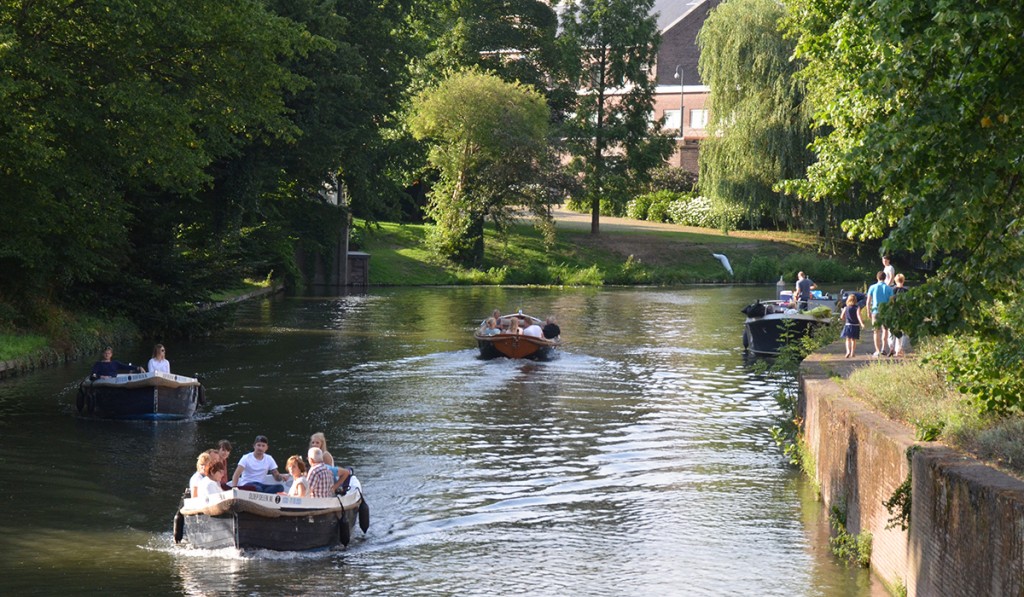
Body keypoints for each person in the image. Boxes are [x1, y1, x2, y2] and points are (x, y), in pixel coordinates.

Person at [866, 271, 894, 358]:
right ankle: (883, 348)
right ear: (885, 278)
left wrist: (868, 311)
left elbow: (868, 301)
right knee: (885, 330)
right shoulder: (889, 288)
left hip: (875, 311)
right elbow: (892, 301)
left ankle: (877, 351)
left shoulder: (872, 287)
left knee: (876, 331)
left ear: (877, 277)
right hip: (885, 312)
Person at [889, 273, 909, 357]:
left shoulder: (892, 290)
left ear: (895, 280)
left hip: (894, 313)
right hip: (904, 313)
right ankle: (900, 349)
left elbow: (889, 303)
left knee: (893, 331)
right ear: (903, 280)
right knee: (903, 332)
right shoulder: (907, 291)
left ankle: (891, 347)